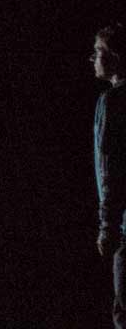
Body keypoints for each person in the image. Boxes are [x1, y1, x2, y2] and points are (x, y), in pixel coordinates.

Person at [95, 25, 126, 329]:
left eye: (99, 52)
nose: (94, 58)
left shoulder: (111, 103)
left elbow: (110, 171)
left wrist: (107, 227)